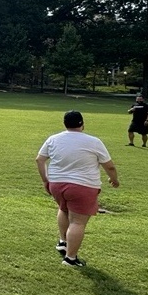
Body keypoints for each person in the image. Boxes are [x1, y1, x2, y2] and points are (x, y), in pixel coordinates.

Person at [36, 110, 119, 267]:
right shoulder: (93, 141)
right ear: (82, 124)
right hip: (83, 186)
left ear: (65, 124)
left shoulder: (53, 139)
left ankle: (63, 241)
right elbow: (109, 166)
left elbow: (39, 160)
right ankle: (70, 258)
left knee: (63, 209)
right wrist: (114, 180)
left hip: (57, 184)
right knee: (78, 222)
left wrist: (45, 180)